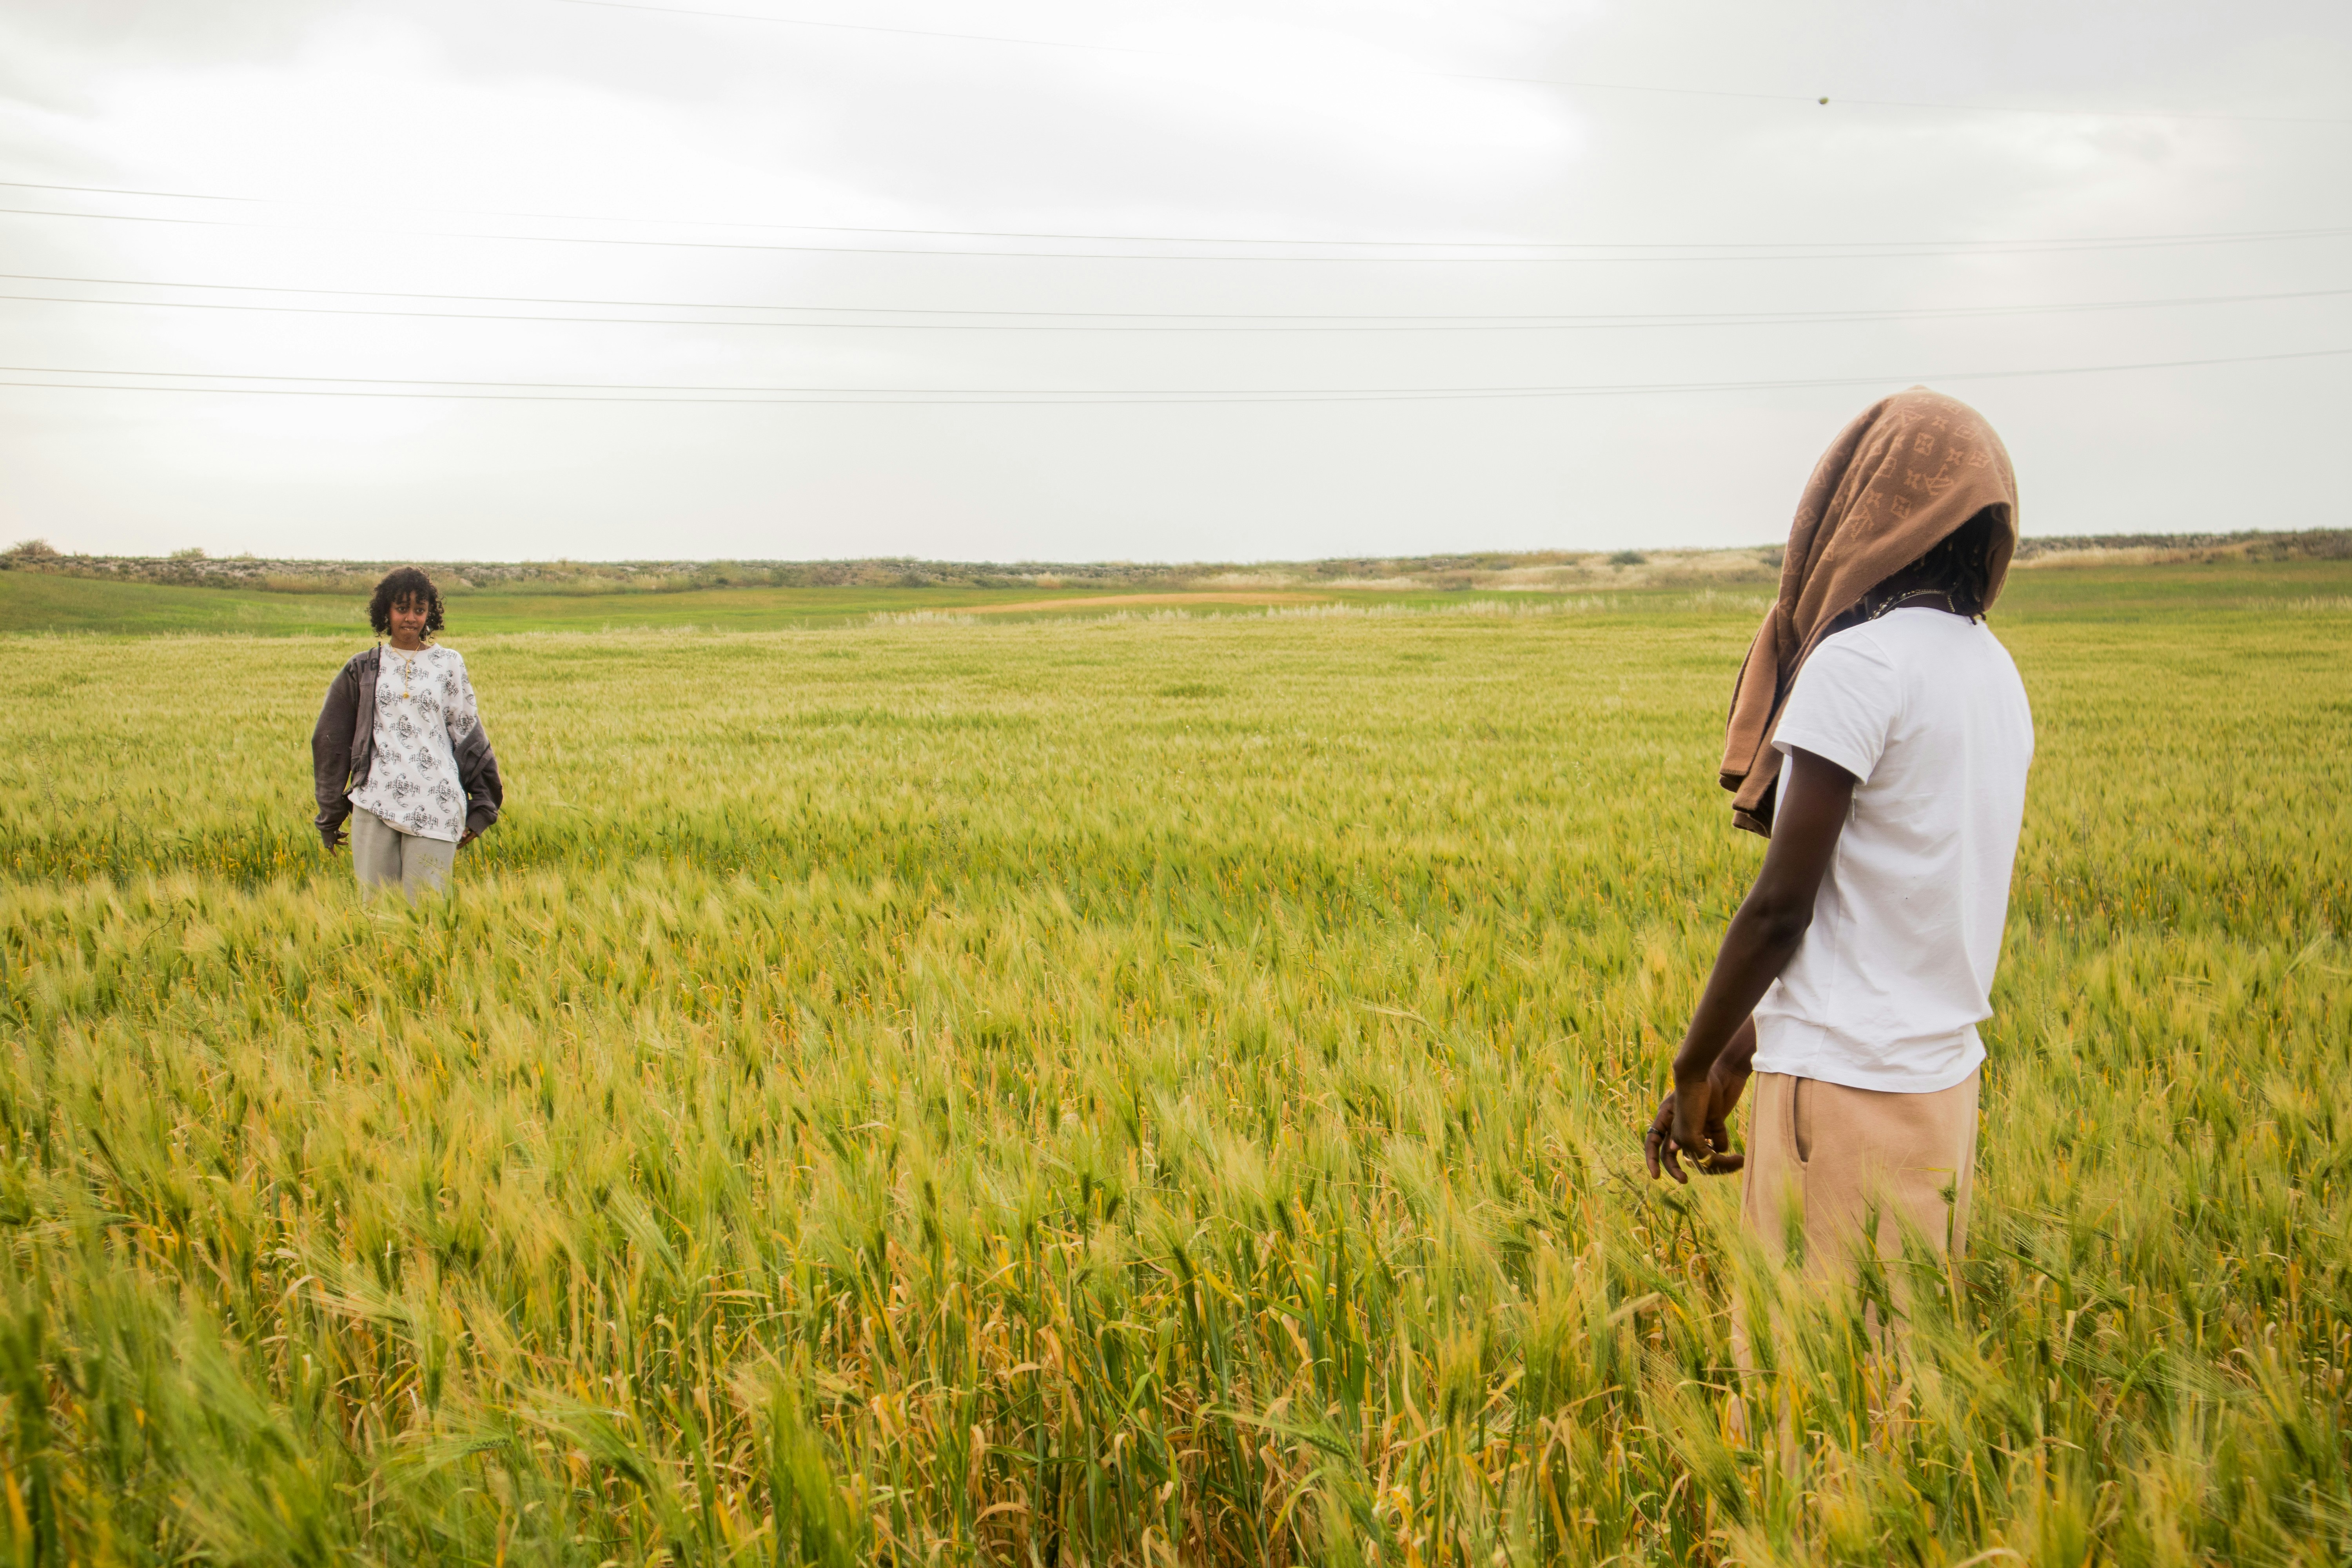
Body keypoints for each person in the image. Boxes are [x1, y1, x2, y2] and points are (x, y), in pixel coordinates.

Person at [1642, 388, 2033, 1317]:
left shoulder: (1858, 664)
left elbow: (1784, 907)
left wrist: (1693, 1068)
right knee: (1894, 1407)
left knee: (1802, 1411)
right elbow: (1887, 901)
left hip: (1838, 1092)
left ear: (1856, 508)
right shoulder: (1990, 666)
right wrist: (1744, 1046)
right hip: (1940, 1089)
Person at [312, 567, 503, 895]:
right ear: (386, 611)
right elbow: (330, 741)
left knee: (427, 915)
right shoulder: (363, 667)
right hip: (375, 803)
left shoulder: (449, 663)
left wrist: (484, 805)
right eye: (402, 608)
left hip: (437, 804)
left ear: (431, 613)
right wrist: (330, 814)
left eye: (420, 609)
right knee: (378, 916)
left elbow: (468, 732)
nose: (411, 618)